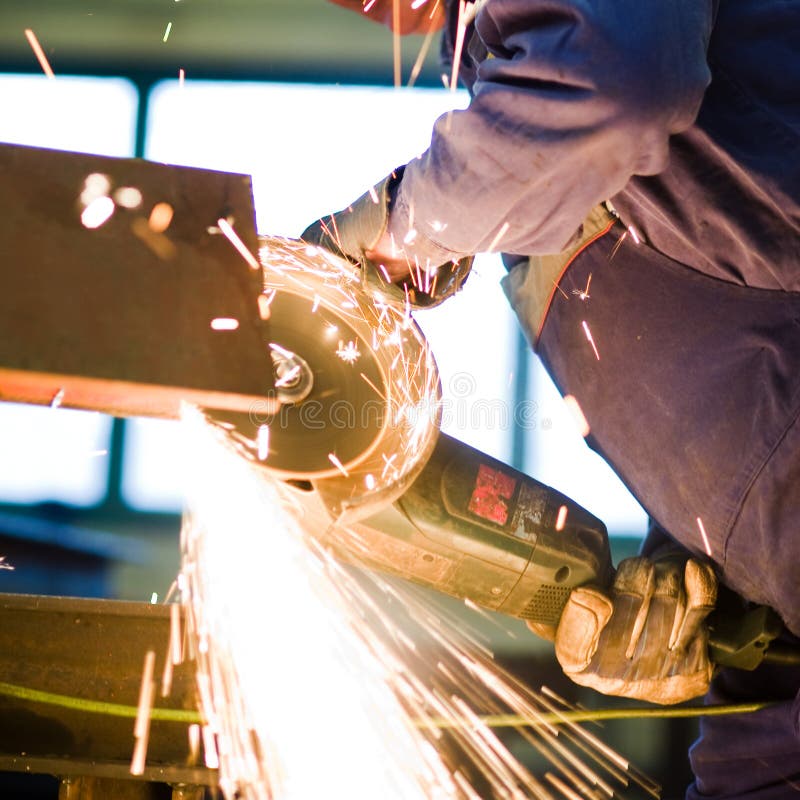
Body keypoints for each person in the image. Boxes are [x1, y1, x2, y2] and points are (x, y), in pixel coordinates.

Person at [303, 1, 800, 796]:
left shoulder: (546, 68)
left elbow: (614, 87)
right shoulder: (511, 72)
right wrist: (691, 558)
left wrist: (412, 224)